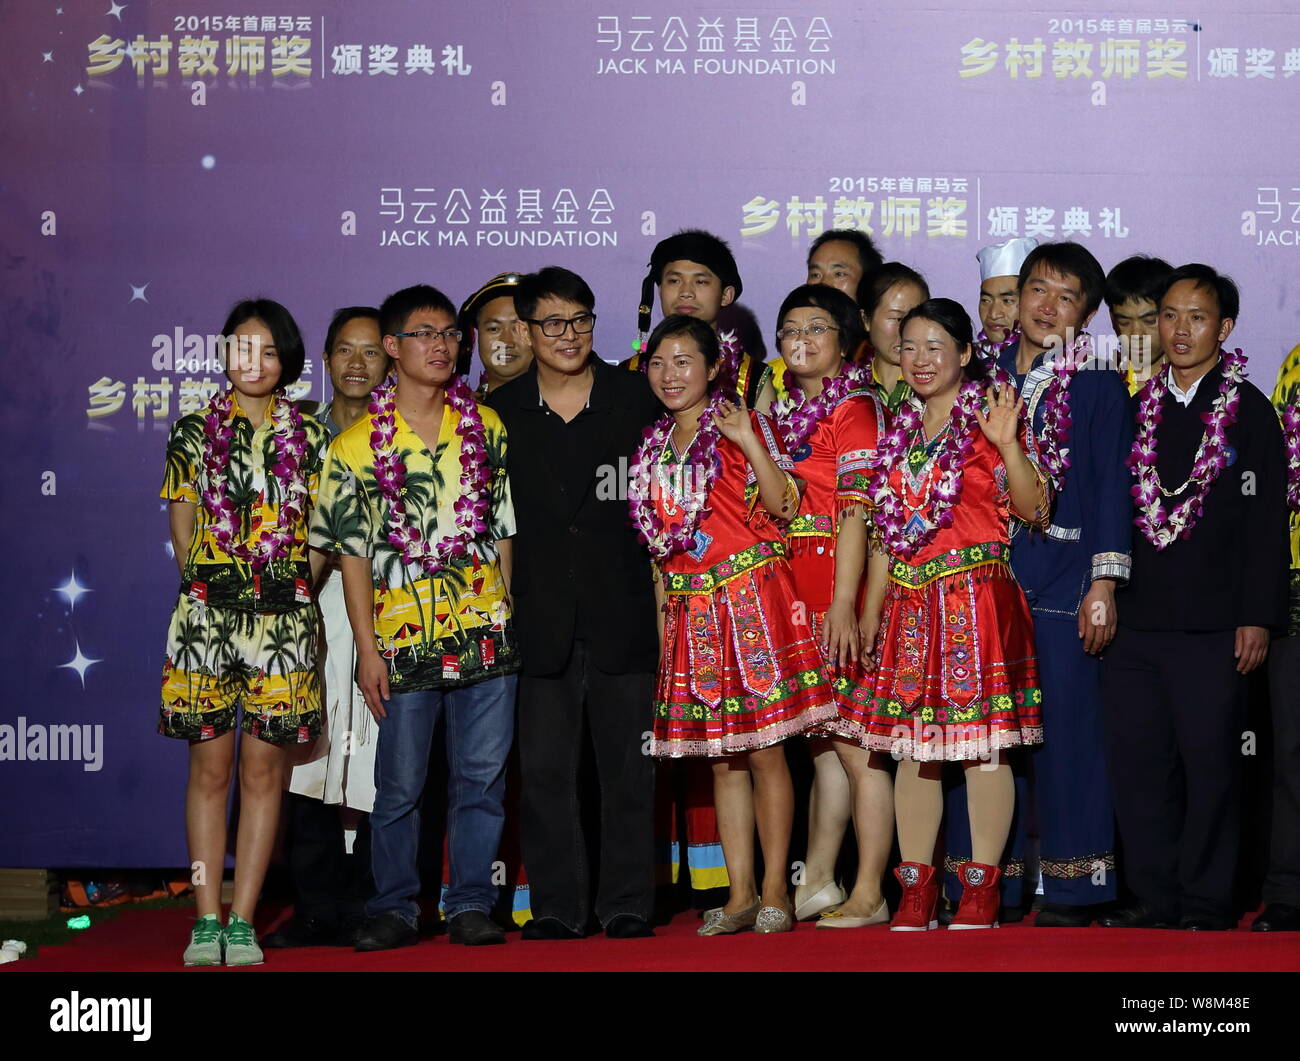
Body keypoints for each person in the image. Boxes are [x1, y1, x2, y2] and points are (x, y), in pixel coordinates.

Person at [310, 284, 521, 950]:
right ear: (394, 348)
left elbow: (503, 527)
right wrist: (366, 649)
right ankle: (396, 906)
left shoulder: (485, 426)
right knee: (398, 785)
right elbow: (350, 557)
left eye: (450, 334)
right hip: (401, 639)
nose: (441, 345)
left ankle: (468, 904)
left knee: (481, 779)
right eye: (424, 334)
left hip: (485, 632)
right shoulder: (351, 448)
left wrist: (505, 607)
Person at [945, 241, 1131, 926]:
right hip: (980, 581)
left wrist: (1104, 584)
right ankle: (988, 882)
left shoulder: (1099, 379)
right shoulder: (977, 374)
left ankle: (1077, 885)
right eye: (1038, 290)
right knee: (983, 740)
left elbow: (1112, 483)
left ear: (1085, 314)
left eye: (1067, 297)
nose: (1048, 306)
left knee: (1068, 735)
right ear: (1014, 297)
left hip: (1063, 576)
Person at [1101, 265, 1289, 930]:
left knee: (1213, 768)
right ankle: (1154, 893)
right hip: (1137, 624)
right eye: (1169, 315)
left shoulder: (1252, 410)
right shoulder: (1137, 405)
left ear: (1226, 327)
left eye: (1197, 317)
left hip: (1215, 628)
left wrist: (1258, 616)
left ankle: (1208, 900)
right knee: (1142, 765)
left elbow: (1268, 524)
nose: (1179, 330)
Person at [851, 298, 1049, 930]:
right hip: (909, 607)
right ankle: (915, 889)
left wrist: (1009, 445)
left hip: (974, 600)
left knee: (984, 750)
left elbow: (1033, 509)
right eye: (909, 347)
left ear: (966, 354)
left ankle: (983, 890)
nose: (920, 360)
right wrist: (871, 612)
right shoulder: (898, 432)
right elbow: (885, 534)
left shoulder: (989, 420)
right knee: (915, 751)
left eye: (936, 347)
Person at [637, 314, 834, 934]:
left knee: (766, 752)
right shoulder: (650, 446)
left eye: (684, 362)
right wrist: (664, 617)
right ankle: (741, 890)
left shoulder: (745, 425)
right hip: (690, 608)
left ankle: (778, 887)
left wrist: (751, 441)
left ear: (714, 365)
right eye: (659, 363)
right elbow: (656, 547)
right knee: (722, 759)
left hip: (751, 600)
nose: (670, 375)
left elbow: (786, 506)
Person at [485, 267, 662, 940]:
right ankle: (556, 903)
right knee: (546, 771)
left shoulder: (634, 398)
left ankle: (627, 901)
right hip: (537, 615)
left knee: (629, 769)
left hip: (624, 611)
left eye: (580, 319)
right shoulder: (497, 414)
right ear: (527, 331)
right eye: (552, 323)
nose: (568, 335)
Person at [160, 298, 328, 966]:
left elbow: (322, 531)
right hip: (206, 618)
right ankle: (206, 916)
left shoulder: (311, 436)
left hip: (285, 623)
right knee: (210, 769)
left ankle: (244, 920)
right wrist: (214, 589)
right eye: (239, 346)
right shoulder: (194, 429)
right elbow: (182, 523)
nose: (250, 360)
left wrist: (292, 588)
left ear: (286, 359)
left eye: (265, 348)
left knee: (264, 772)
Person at [768, 284, 893, 928]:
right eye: (790, 328)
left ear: (847, 342)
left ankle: (871, 890)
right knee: (824, 744)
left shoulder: (858, 409)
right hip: (790, 582)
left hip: (832, 585)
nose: (800, 340)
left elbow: (859, 513)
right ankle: (819, 879)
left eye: (817, 328)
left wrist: (844, 604)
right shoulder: (782, 408)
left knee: (858, 745)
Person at [271, 307, 389, 949]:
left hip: (388, 612)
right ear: (324, 358)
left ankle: (374, 902)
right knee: (303, 756)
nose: (356, 364)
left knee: (379, 760)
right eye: (345, 350)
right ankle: (314, 906)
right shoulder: (296, 437)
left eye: (370, 352)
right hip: (308, 609)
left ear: (390, 360)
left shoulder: (403, 437)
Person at [627, 229, 775, 413]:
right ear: (660, 290)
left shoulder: (751, 378)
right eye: (674, 281)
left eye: (701, 282)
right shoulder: (629, 372)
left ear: (726, 295)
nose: (686, 292)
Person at [1257, 340, 1300, 932]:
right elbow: (1271, 479)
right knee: (1291, 749)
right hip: (1296, 586)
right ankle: (1290, 886)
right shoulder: (1295, 364)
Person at [770, 229, 884, 399]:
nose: (824, 283)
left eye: (839, 274)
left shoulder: (887, 365)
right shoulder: (776, 373)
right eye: (815, 274)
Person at [859, 263, 930, 415]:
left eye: (914, 317)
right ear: (866, 320)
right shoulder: (847, 388)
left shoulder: (940, 387)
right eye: (897, 318)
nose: (906, 330)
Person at [457, 272, 534, 400]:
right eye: (493, 329)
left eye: (518, 329)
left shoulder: (562, 409)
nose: (506, 342)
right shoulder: (455, 412)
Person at [1105, 255, 1174, 395]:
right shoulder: (1100, 383)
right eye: (1124, 322)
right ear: (1113, 320)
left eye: (1149, 321)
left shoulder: (1196, 383)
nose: (1136, 334)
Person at [975, 237, 1038, 346]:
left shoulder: (1057, 359)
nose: (993, 314)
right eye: (986, 300)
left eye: (1007, 301)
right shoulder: (969, 360)